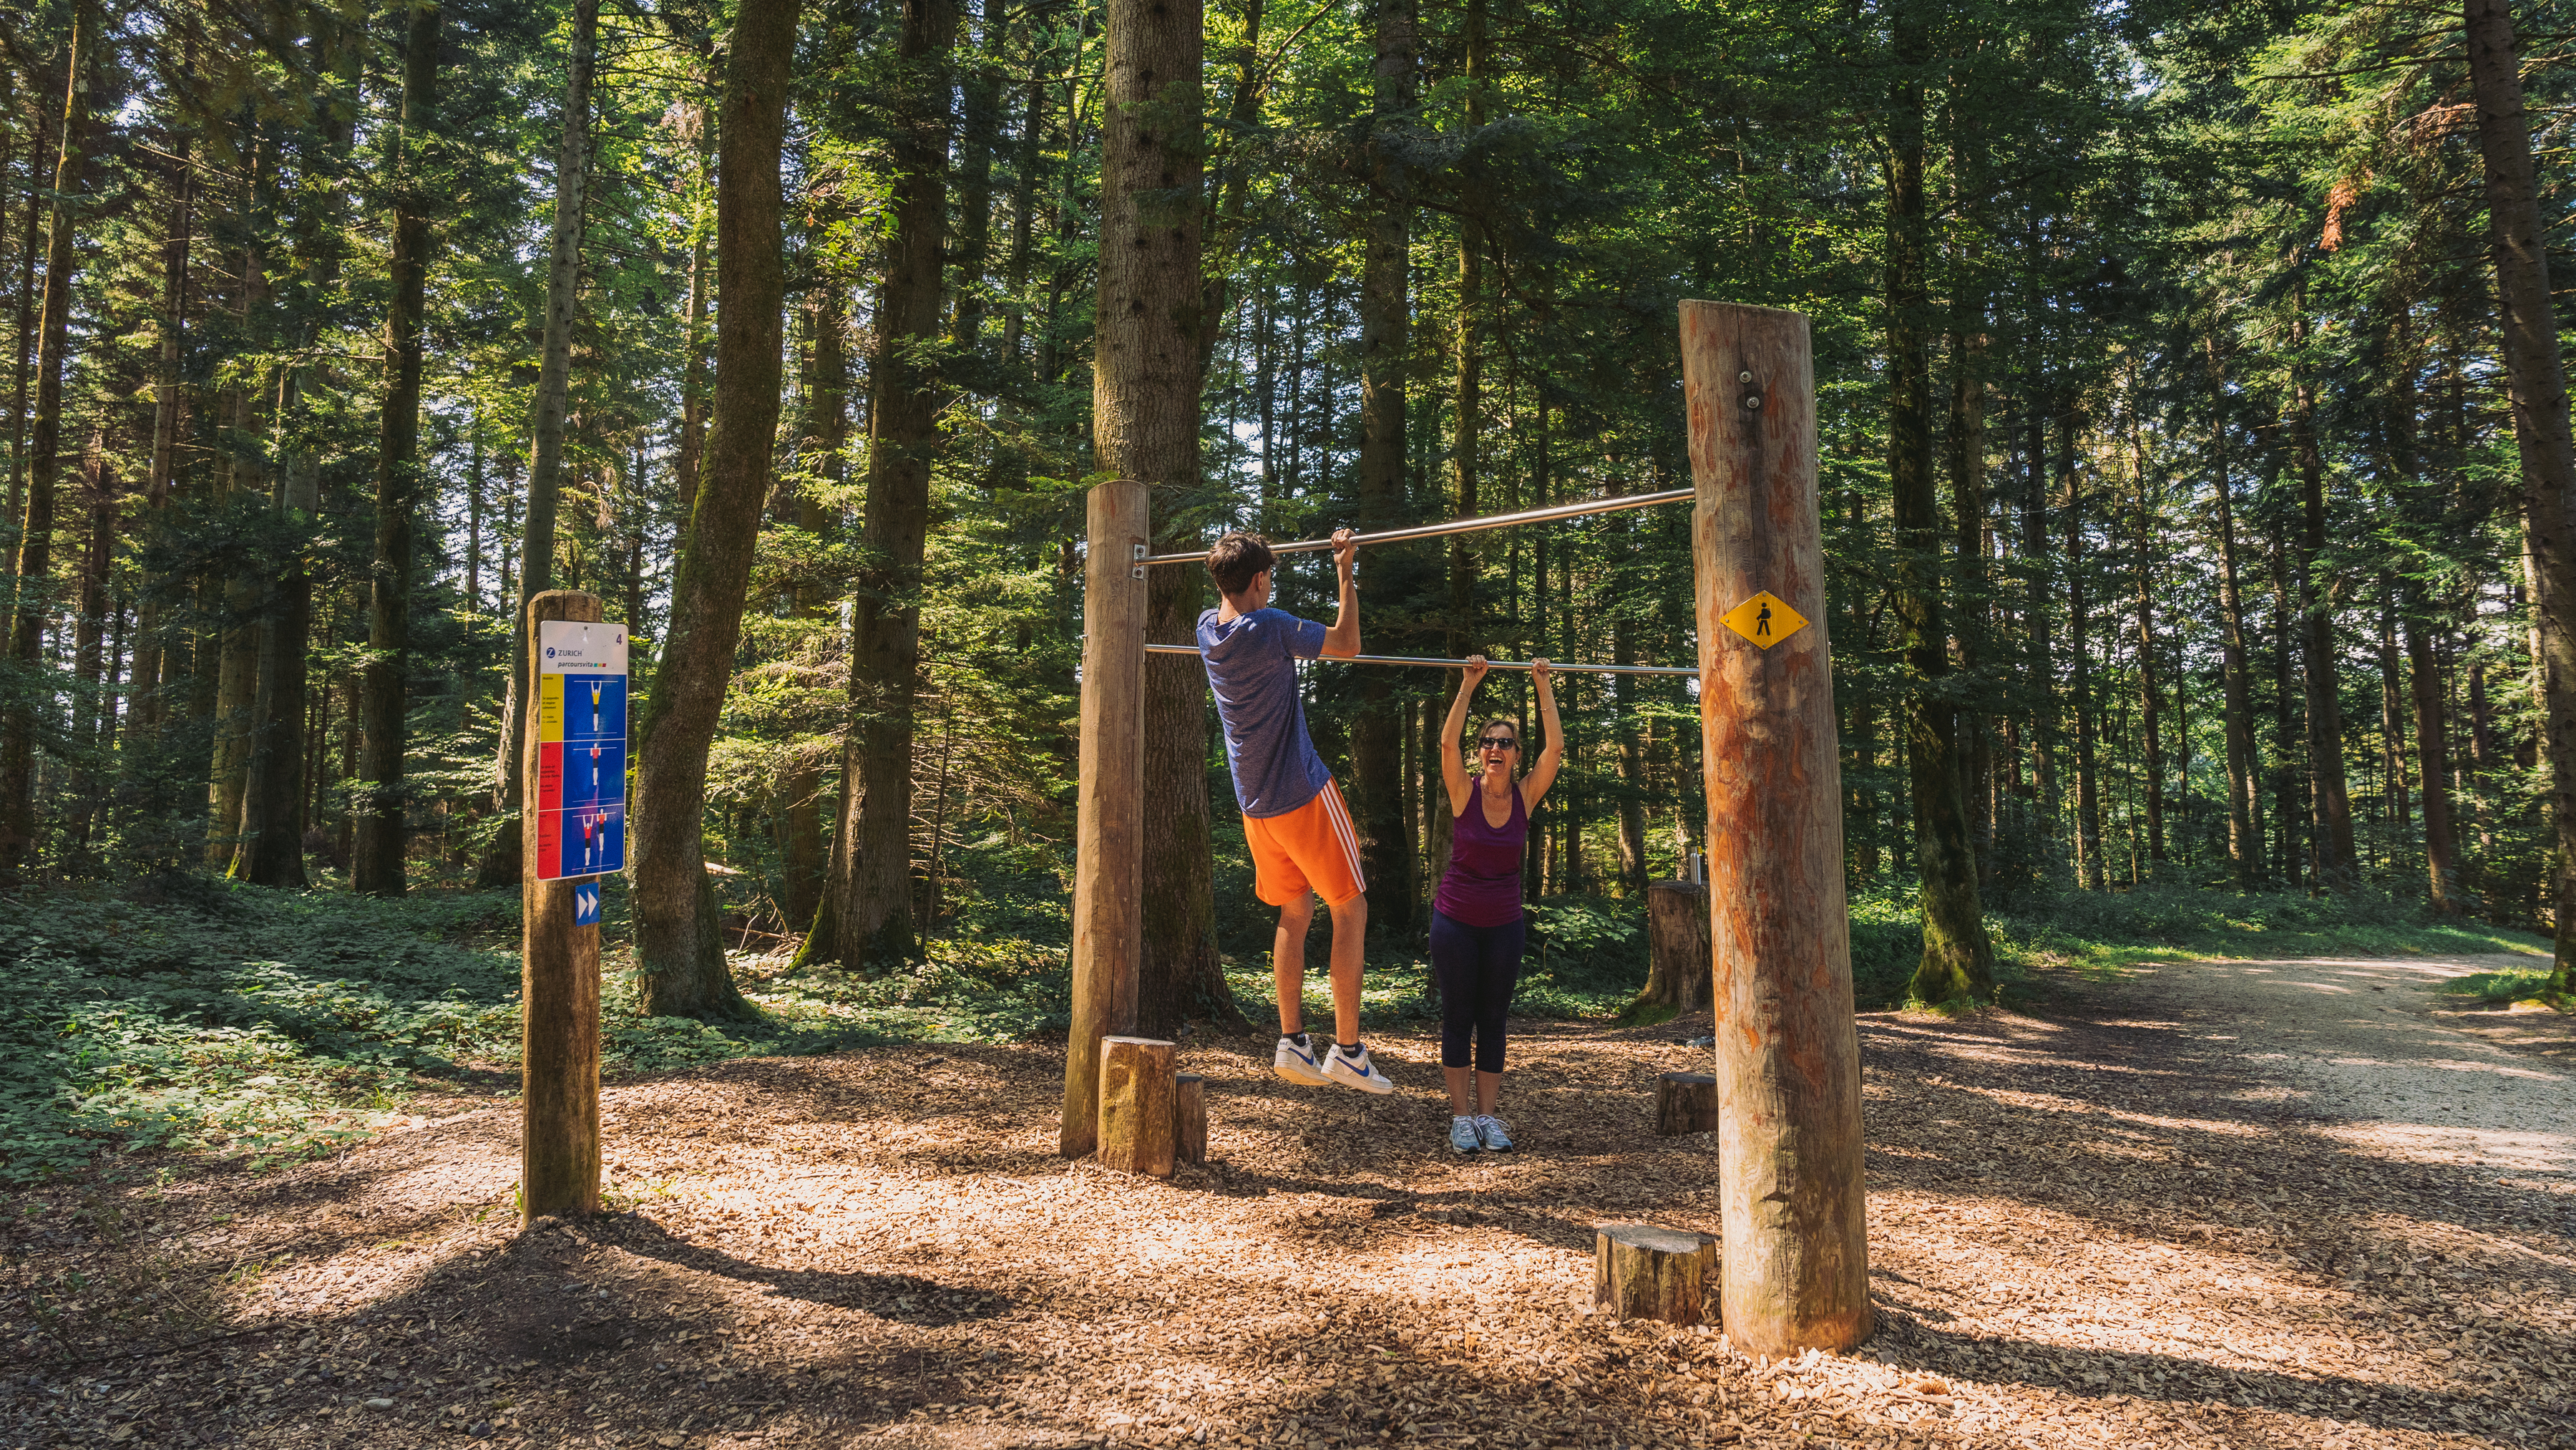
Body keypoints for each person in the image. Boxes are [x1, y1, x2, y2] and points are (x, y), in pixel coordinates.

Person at [1198, 529, 1395, 1095]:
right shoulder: (1272, 627)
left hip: (1255, 805)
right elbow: (1349, 644)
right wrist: (1344, 570)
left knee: (1294, 912)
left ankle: (1293, 1041)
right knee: (1350, 908)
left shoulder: (1207, 631)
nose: (1273, 583)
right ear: (1259, 579)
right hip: (1303, 793)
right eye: (1271, 575)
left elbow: (1234, 602)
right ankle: (1350, 1052)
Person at [1429, 653, 1561, 1152]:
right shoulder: (1464, 792)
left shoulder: (1526, 796)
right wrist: (1467, 683)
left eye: (1505, 743)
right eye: (1488, 742)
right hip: (1455, 923)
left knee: (1496, 1019)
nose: (1495, 748)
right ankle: (1461, 1118)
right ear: (1480, 754)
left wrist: (1543, 685)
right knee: (1459, 1015)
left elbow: (1556, 748)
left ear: (1515, 755)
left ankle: (1488, 1117)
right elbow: (1446, 742)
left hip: (1505, 926)